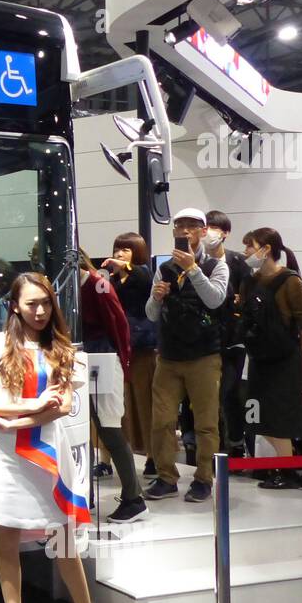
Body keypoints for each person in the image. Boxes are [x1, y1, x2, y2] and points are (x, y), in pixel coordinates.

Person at [0, 272, 114, 603]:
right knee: (7, 543)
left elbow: (61, 407)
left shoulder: (63, 349)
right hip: (7, 459)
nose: (40, 310)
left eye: (46, 302)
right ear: (14, 305)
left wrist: (14, 421)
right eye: (32, 303)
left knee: (66, 541)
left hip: (49, 452)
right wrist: (31, 409)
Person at [143, 208, 229, 503]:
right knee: (162, 421)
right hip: (168, 356)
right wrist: (156, 297)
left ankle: (204, 478)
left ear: (204, 231)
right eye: (180, 227)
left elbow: (215, 300)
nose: (185, 232)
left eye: (192, 226)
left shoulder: (217, 265)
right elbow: (151, 314)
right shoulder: (164, 268)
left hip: (204, 355)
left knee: (206, 422)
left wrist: (192, 269)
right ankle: (166, 477)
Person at [238, 228, 302, 490]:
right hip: (260, 358)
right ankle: (279, 467)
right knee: (261, 418)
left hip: (283, 361)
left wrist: (296, 350)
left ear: (266, 248)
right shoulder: (250, 280)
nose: (247, 252)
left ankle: (287, 470)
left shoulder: (290, 281)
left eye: (250, 246)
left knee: (280, 418)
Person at [78, 252, 146, 522]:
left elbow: (119, 326)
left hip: (103, 361)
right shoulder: (77, 286)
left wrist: (122, 362)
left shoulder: (97, 284)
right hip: (89, 360)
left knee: (109, 429)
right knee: (95, 427)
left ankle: (134, 497)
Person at [102, 232, 156, 472]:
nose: (119, 253)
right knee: (115, 405)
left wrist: (127, 267)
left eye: (126, 249)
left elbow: (146, 279)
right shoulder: (111, 281)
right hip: (117, 348)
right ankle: (109, 458)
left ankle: (153, 456)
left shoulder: (144, 273)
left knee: (145, 404)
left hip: (142, 348)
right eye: (117, 249)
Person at [204, 211, 251, 456]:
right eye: (207, 226)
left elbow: (245, 297)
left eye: (215, 227)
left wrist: (237, 303)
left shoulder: (238, 262)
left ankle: (234, 441)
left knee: (230, 392)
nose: (209, 231)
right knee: (205, 395)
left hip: (233, 341)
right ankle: (206, 443)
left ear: (225, 233)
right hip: (205, 339)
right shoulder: (196, 261)